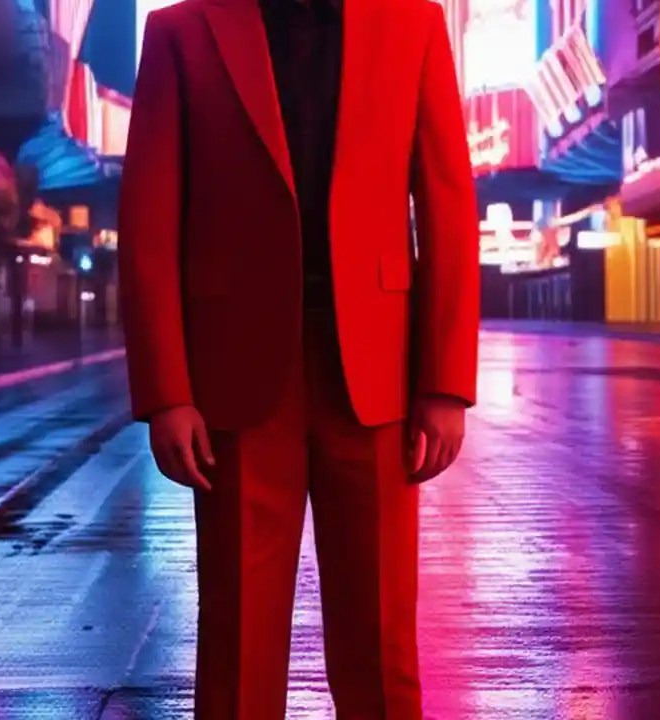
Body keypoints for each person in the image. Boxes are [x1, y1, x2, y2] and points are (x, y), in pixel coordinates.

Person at [118, 0, 479, 717]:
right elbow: (149, 221)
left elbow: (446, 203)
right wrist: (167, 393)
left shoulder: (413, 24)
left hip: (377, 373)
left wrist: (445, 382)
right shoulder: (181, 32)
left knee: (380, 641)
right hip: (239, 375)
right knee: (236, 638)